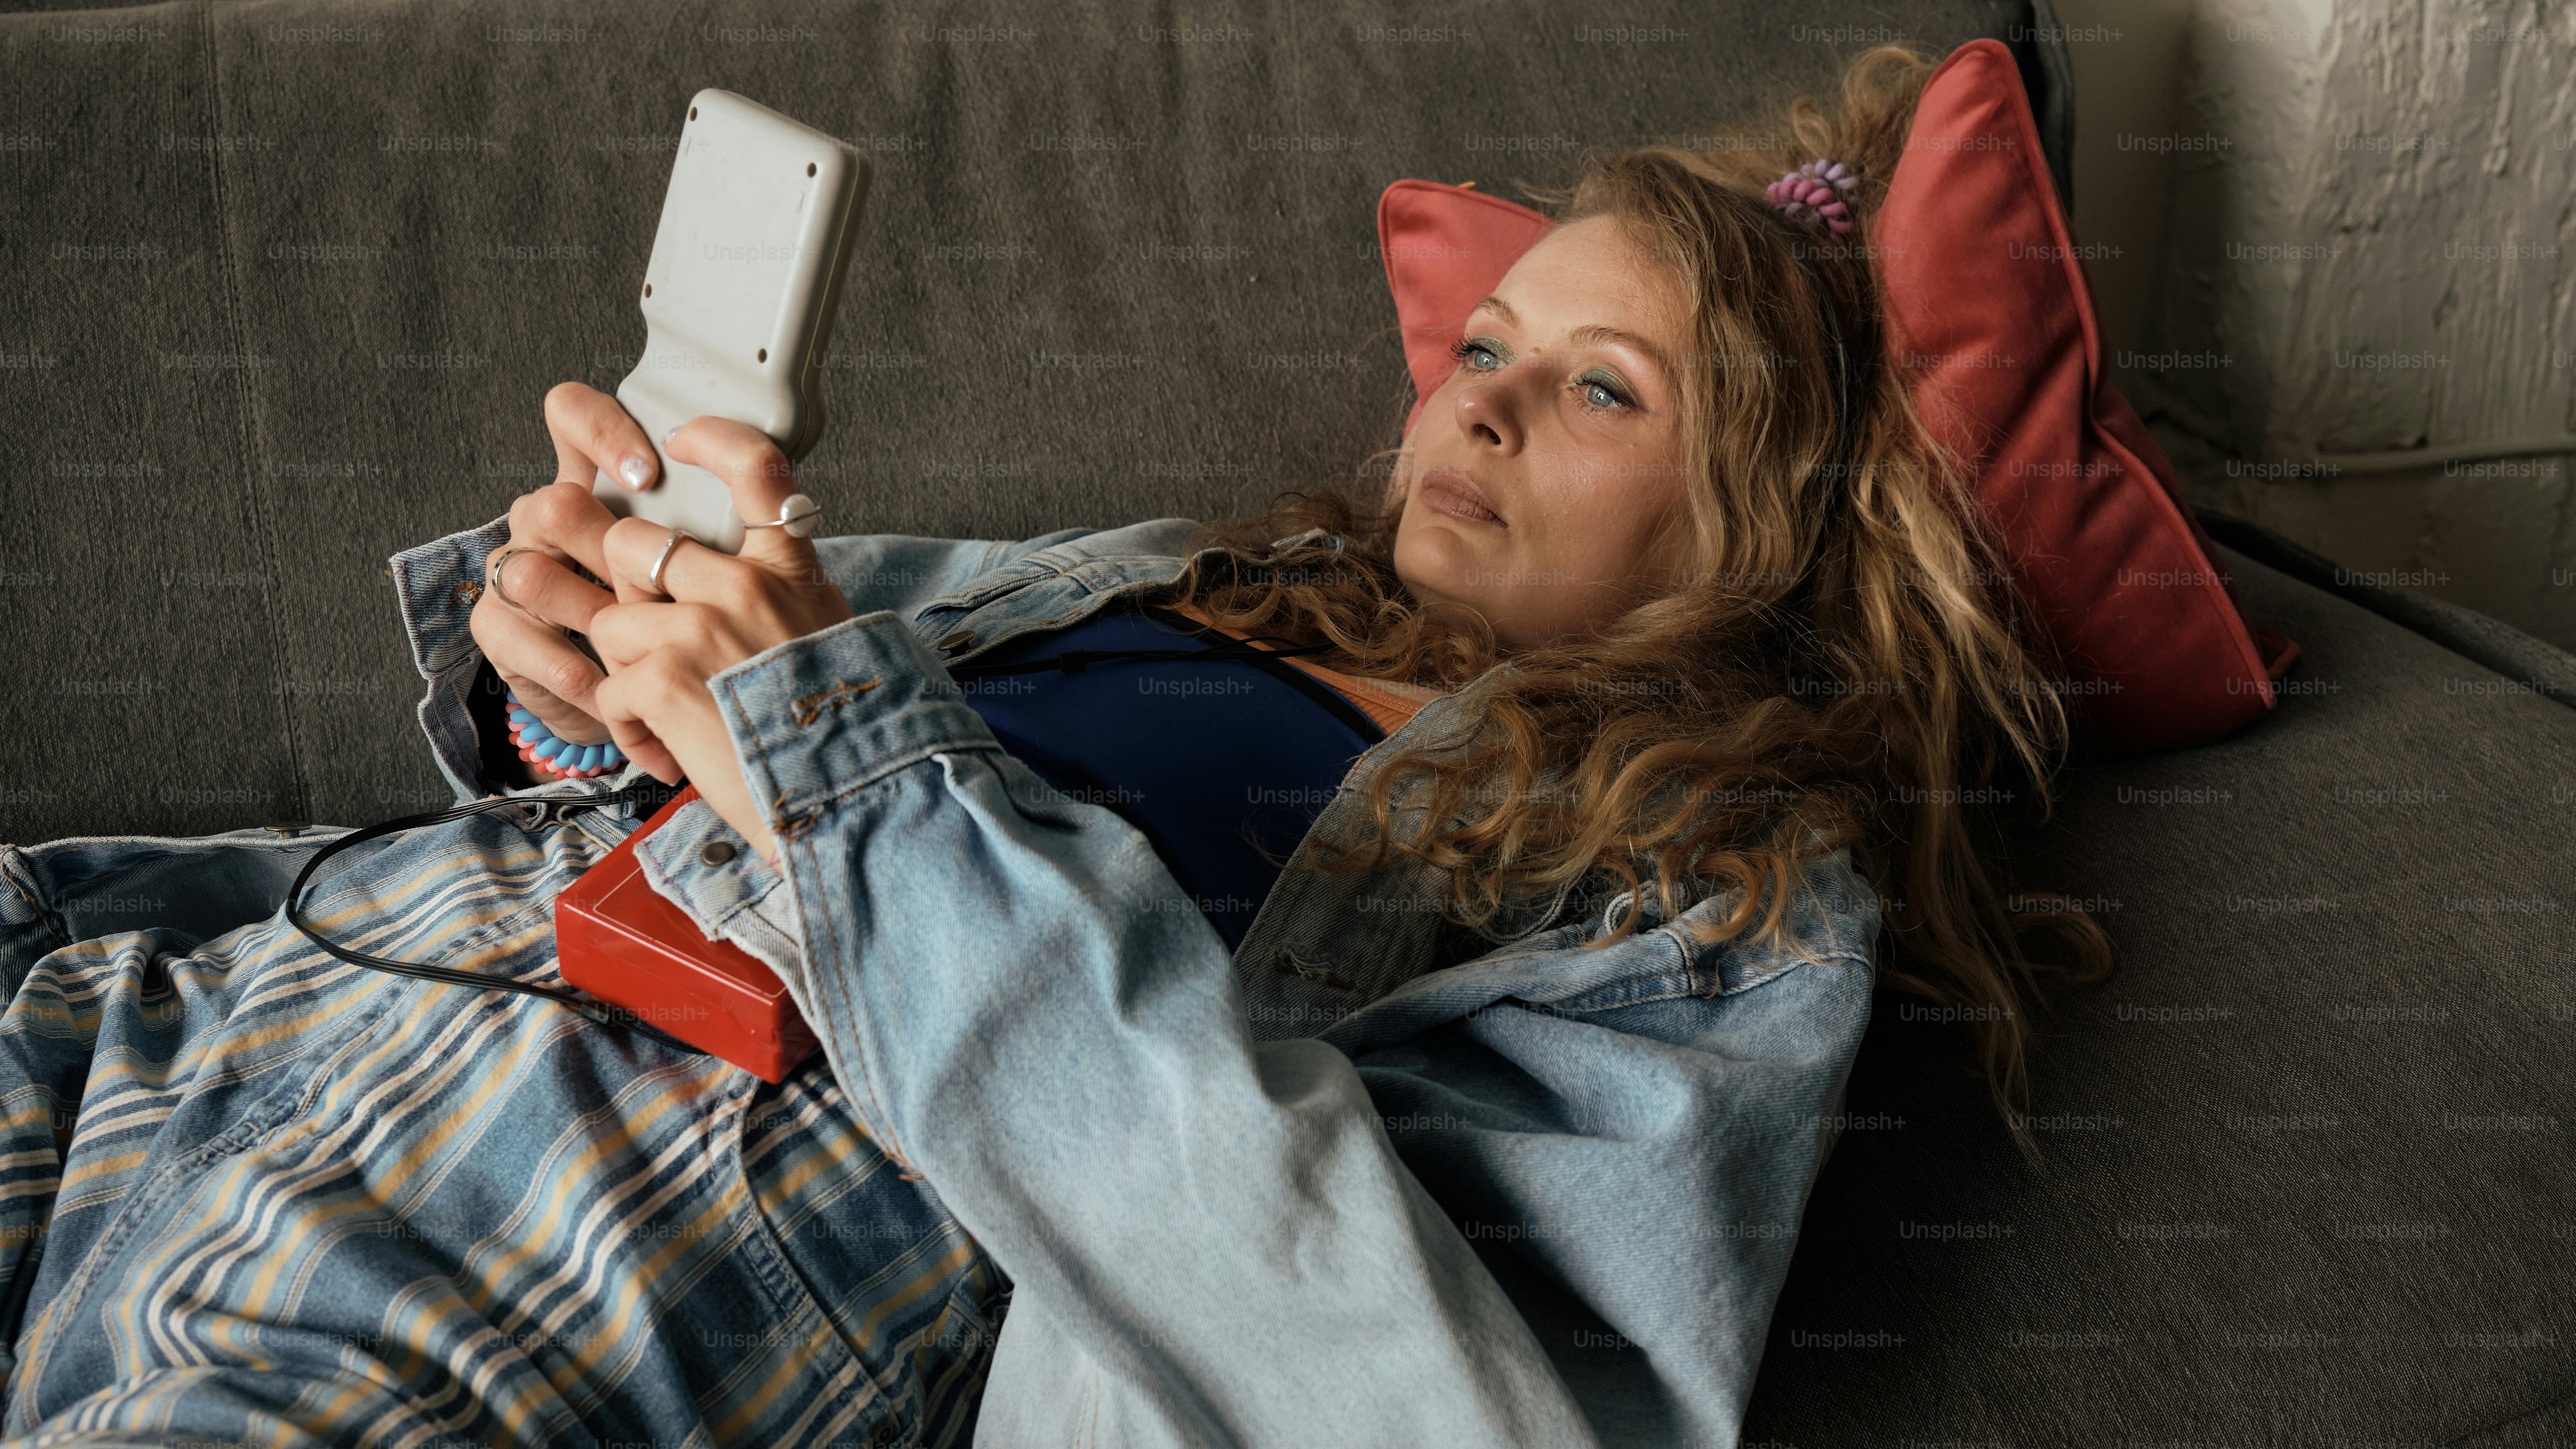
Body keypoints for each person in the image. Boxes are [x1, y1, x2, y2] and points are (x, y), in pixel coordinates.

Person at [0, 44, 2103, 1449]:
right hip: (195, 1004)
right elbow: (696, 750)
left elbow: (1440, 1398)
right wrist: (568, 673)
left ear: (1764, 530)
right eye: (1488, 346)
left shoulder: (1687, 884)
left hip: (565, 1233)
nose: (1473, 405)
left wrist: (851, 775)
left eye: (1602, 390)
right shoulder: (1178, 572)